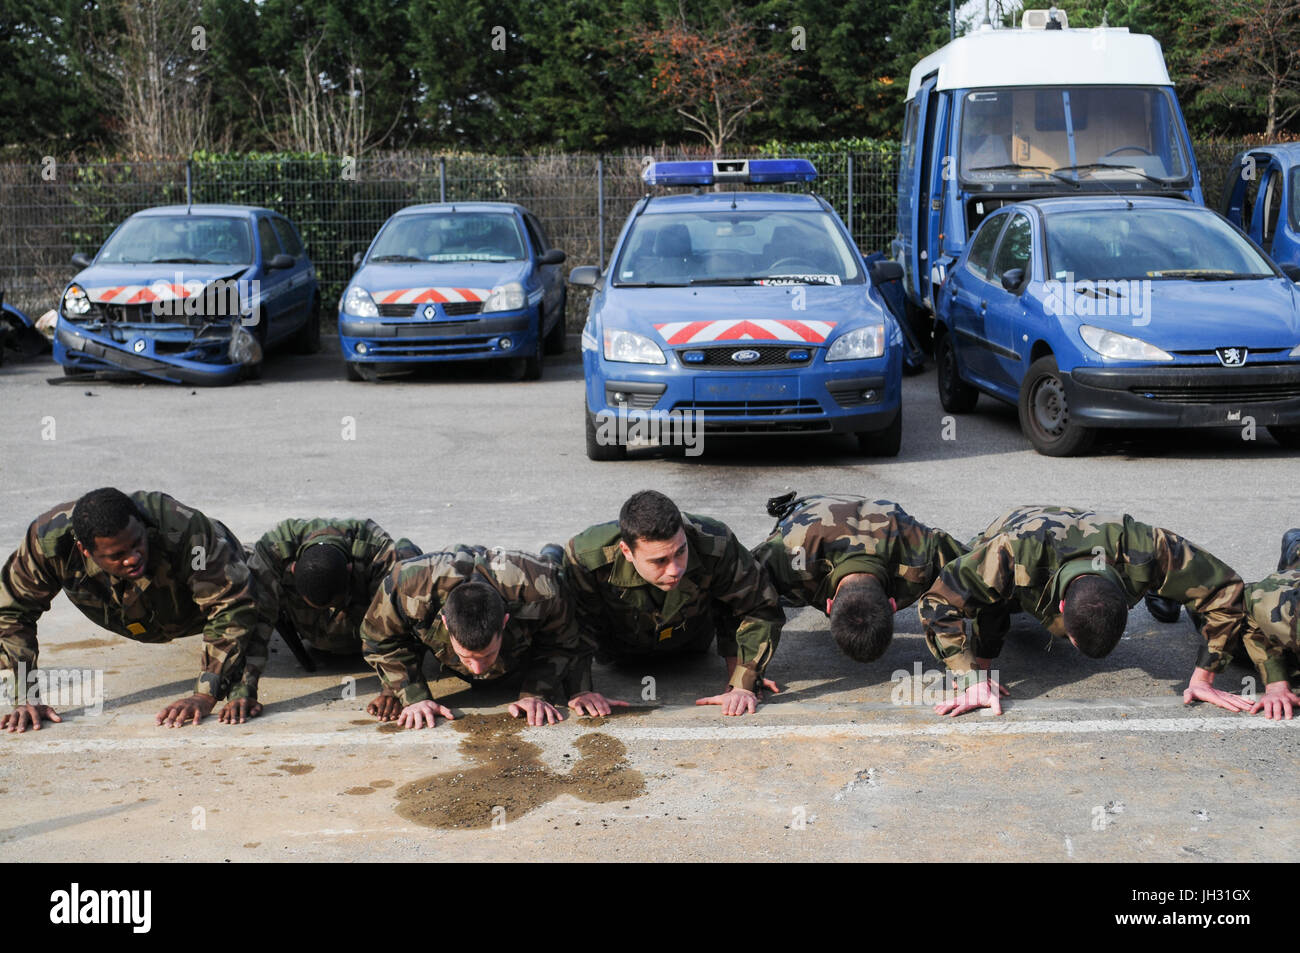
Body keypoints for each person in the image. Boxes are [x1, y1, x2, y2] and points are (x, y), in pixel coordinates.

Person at [917, 505, 1255, 717]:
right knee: (990, 602)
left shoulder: (1145, 548)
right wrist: (974, 674)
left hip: (1092, 549)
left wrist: (1204, 677)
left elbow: (1225, 590)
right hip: (1020, 526)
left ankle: (1164, 592)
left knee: (1183, 582)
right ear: (1061, 607)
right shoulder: (1011, 552)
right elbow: (937, 603)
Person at [0, 487, 267, 732]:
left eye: (137, 543)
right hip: (124, 612)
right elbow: (11, 612)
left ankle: (250, 559)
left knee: (254, 583)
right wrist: (24, 696)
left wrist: (206, 693)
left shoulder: (183, 527)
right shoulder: (49, 543)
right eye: (116, 555)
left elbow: (230, 604)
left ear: (141, 523)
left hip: (192, 604)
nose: (132, 558)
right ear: (85, 550)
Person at [561, 490, 784, 716]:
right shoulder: (585, 557)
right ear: (627, 551)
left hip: (692, 641)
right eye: (659, 560)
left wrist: (743, 682)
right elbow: (571, 622)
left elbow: (759, 607)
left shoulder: (715, 541)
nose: (675, 570)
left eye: (680, 551)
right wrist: (579, 689)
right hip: (618, 652)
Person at [360, 544, 622, 728]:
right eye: (467, 657)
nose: (477, 669)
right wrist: (413, 696)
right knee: (456, 554)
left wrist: (538, 694)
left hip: (522, 579)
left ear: (504, 623)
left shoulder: (542, 588)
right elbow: (380, 641)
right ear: (446, 625)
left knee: (556, 567)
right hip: (442, 576)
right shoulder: (406, 586)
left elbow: (566, 641)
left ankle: (550, 550)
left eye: (487, 655)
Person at [752, 492, 971, 663]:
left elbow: (978, 573)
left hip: (877, 512)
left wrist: (969, 672)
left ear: (829, 605)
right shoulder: (790, 550)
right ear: (893, 604)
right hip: (811, 510)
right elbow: (740, 584)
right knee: (782, 591)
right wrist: (746, 677)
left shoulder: (923, 548)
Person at [1238, 529, 1300, 720]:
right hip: (1256, 605)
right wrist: (1276, 680)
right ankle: (1165, 577)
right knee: (1216, 608)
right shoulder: (1283, 611)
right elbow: (1249, 605)